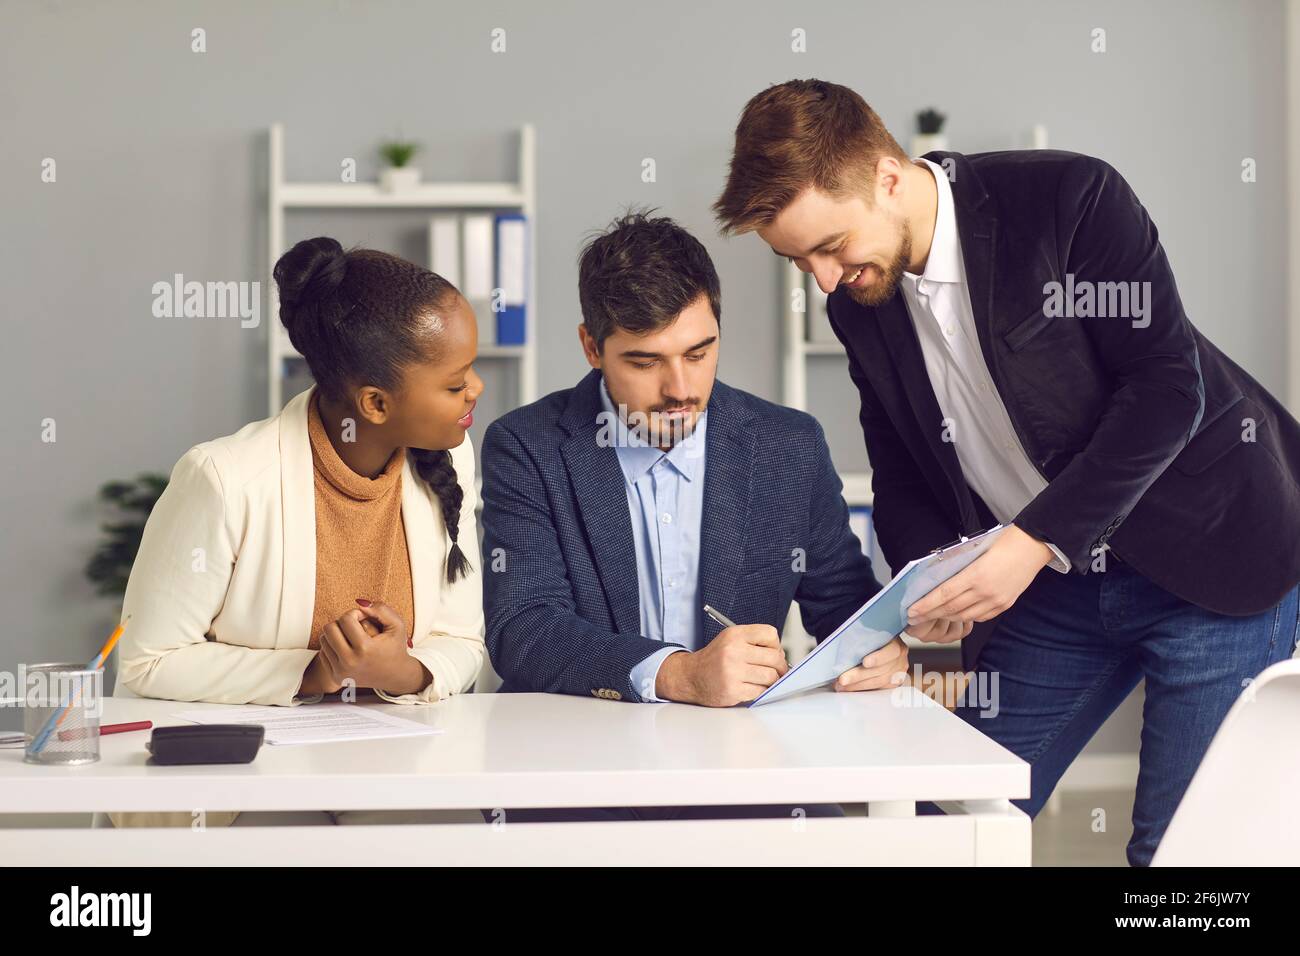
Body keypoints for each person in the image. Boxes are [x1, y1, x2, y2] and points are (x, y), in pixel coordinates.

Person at [712, 79, 1300, 865]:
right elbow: (900, 467)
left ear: (888, 176)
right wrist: (930, 588)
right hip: (1058, 588)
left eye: (831, 246)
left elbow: (1167, 390)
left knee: (1179, 856)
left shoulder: (1070, 198)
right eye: (797, 260)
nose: (821, 279)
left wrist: (1030, 543)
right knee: (941, 822)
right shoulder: (858, 306)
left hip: (1216, 550)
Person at [480, 211, 954, 823]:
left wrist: (873, 649)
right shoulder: (526, 445)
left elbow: (842, 602)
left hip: (743, 766)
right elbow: (523, 633)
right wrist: (680, 673)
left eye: (699, 352)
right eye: (646, 363)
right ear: (592, 348)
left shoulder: (789, 444)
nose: (680, 388)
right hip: (573, 767)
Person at [113, 236, 485, 827]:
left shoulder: (449, 461)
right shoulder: (224, 478)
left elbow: (463, 641)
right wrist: (312, 672)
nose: (476, 390)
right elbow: (146, 662)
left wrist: (402, 671)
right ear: (375, 403)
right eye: (454, 382)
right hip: (246, 786)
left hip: (392, 769)